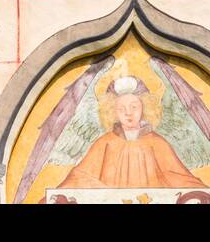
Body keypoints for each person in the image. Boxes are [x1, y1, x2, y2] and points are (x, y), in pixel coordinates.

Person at [60, 75, 199, 189]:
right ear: (113, 112)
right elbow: (81, 175)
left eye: (134, 107)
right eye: (121, 109)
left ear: (144, 108)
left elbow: (179, 176)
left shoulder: (157, 143)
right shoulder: (105, 143)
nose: (128, 113)